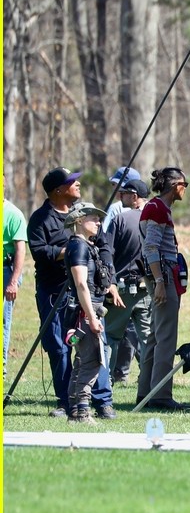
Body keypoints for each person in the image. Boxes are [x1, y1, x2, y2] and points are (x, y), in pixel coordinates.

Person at [27, 167, 117, 418]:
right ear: (58, 190)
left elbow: (105, 246)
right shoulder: (40, 218)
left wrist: (109, 279)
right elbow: (39, 252)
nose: (78, 184)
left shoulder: (87, 215)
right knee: (60, 346)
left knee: (95, 343)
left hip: (89, 291)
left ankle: (102, 401)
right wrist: (71, 251)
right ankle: (66, 401)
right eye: (72, 182)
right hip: (54, 291)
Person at [138, 166, 190, 411]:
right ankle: (160, 395)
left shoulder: (159, 208)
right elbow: (150, 248)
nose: (185, 189)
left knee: (155, 336)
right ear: (174, 185)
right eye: (184, 184)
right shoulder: (157, 208)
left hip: (163, 277)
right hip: (164, 278)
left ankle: (146, 393)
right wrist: (160, 282)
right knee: (166, 338)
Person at [63, 203, 111, 423]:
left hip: (87, 309)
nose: (99, 223)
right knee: (92, 361)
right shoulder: (79, 247)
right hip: (85, 311)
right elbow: (81, 284)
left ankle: (74, 409)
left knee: (83, 360)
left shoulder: (83, 244)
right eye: (94, 218)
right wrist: (91, 318)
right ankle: (82, 410)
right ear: (80, 221)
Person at [104, 178, 152, 385]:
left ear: (134, 197)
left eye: (123, 193)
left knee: (110, 337)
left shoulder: (120, 220)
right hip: (148, 289)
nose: (119, 196)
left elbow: (106, 253)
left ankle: (103, 384)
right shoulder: (157, 221)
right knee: (149, 340)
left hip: (121, 290)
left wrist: (109, 282)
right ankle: (152, 385)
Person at [4, 198, 28, 375]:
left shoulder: (13, 214)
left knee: (3, 321)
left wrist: (13, 282)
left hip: (6, 272)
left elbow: (20, 249)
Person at [102, 167, 142, 233]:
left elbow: (105, 235)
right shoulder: (146, 206)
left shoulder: (115, 208)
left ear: (122, 186)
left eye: (113, 184)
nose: (113, 187)